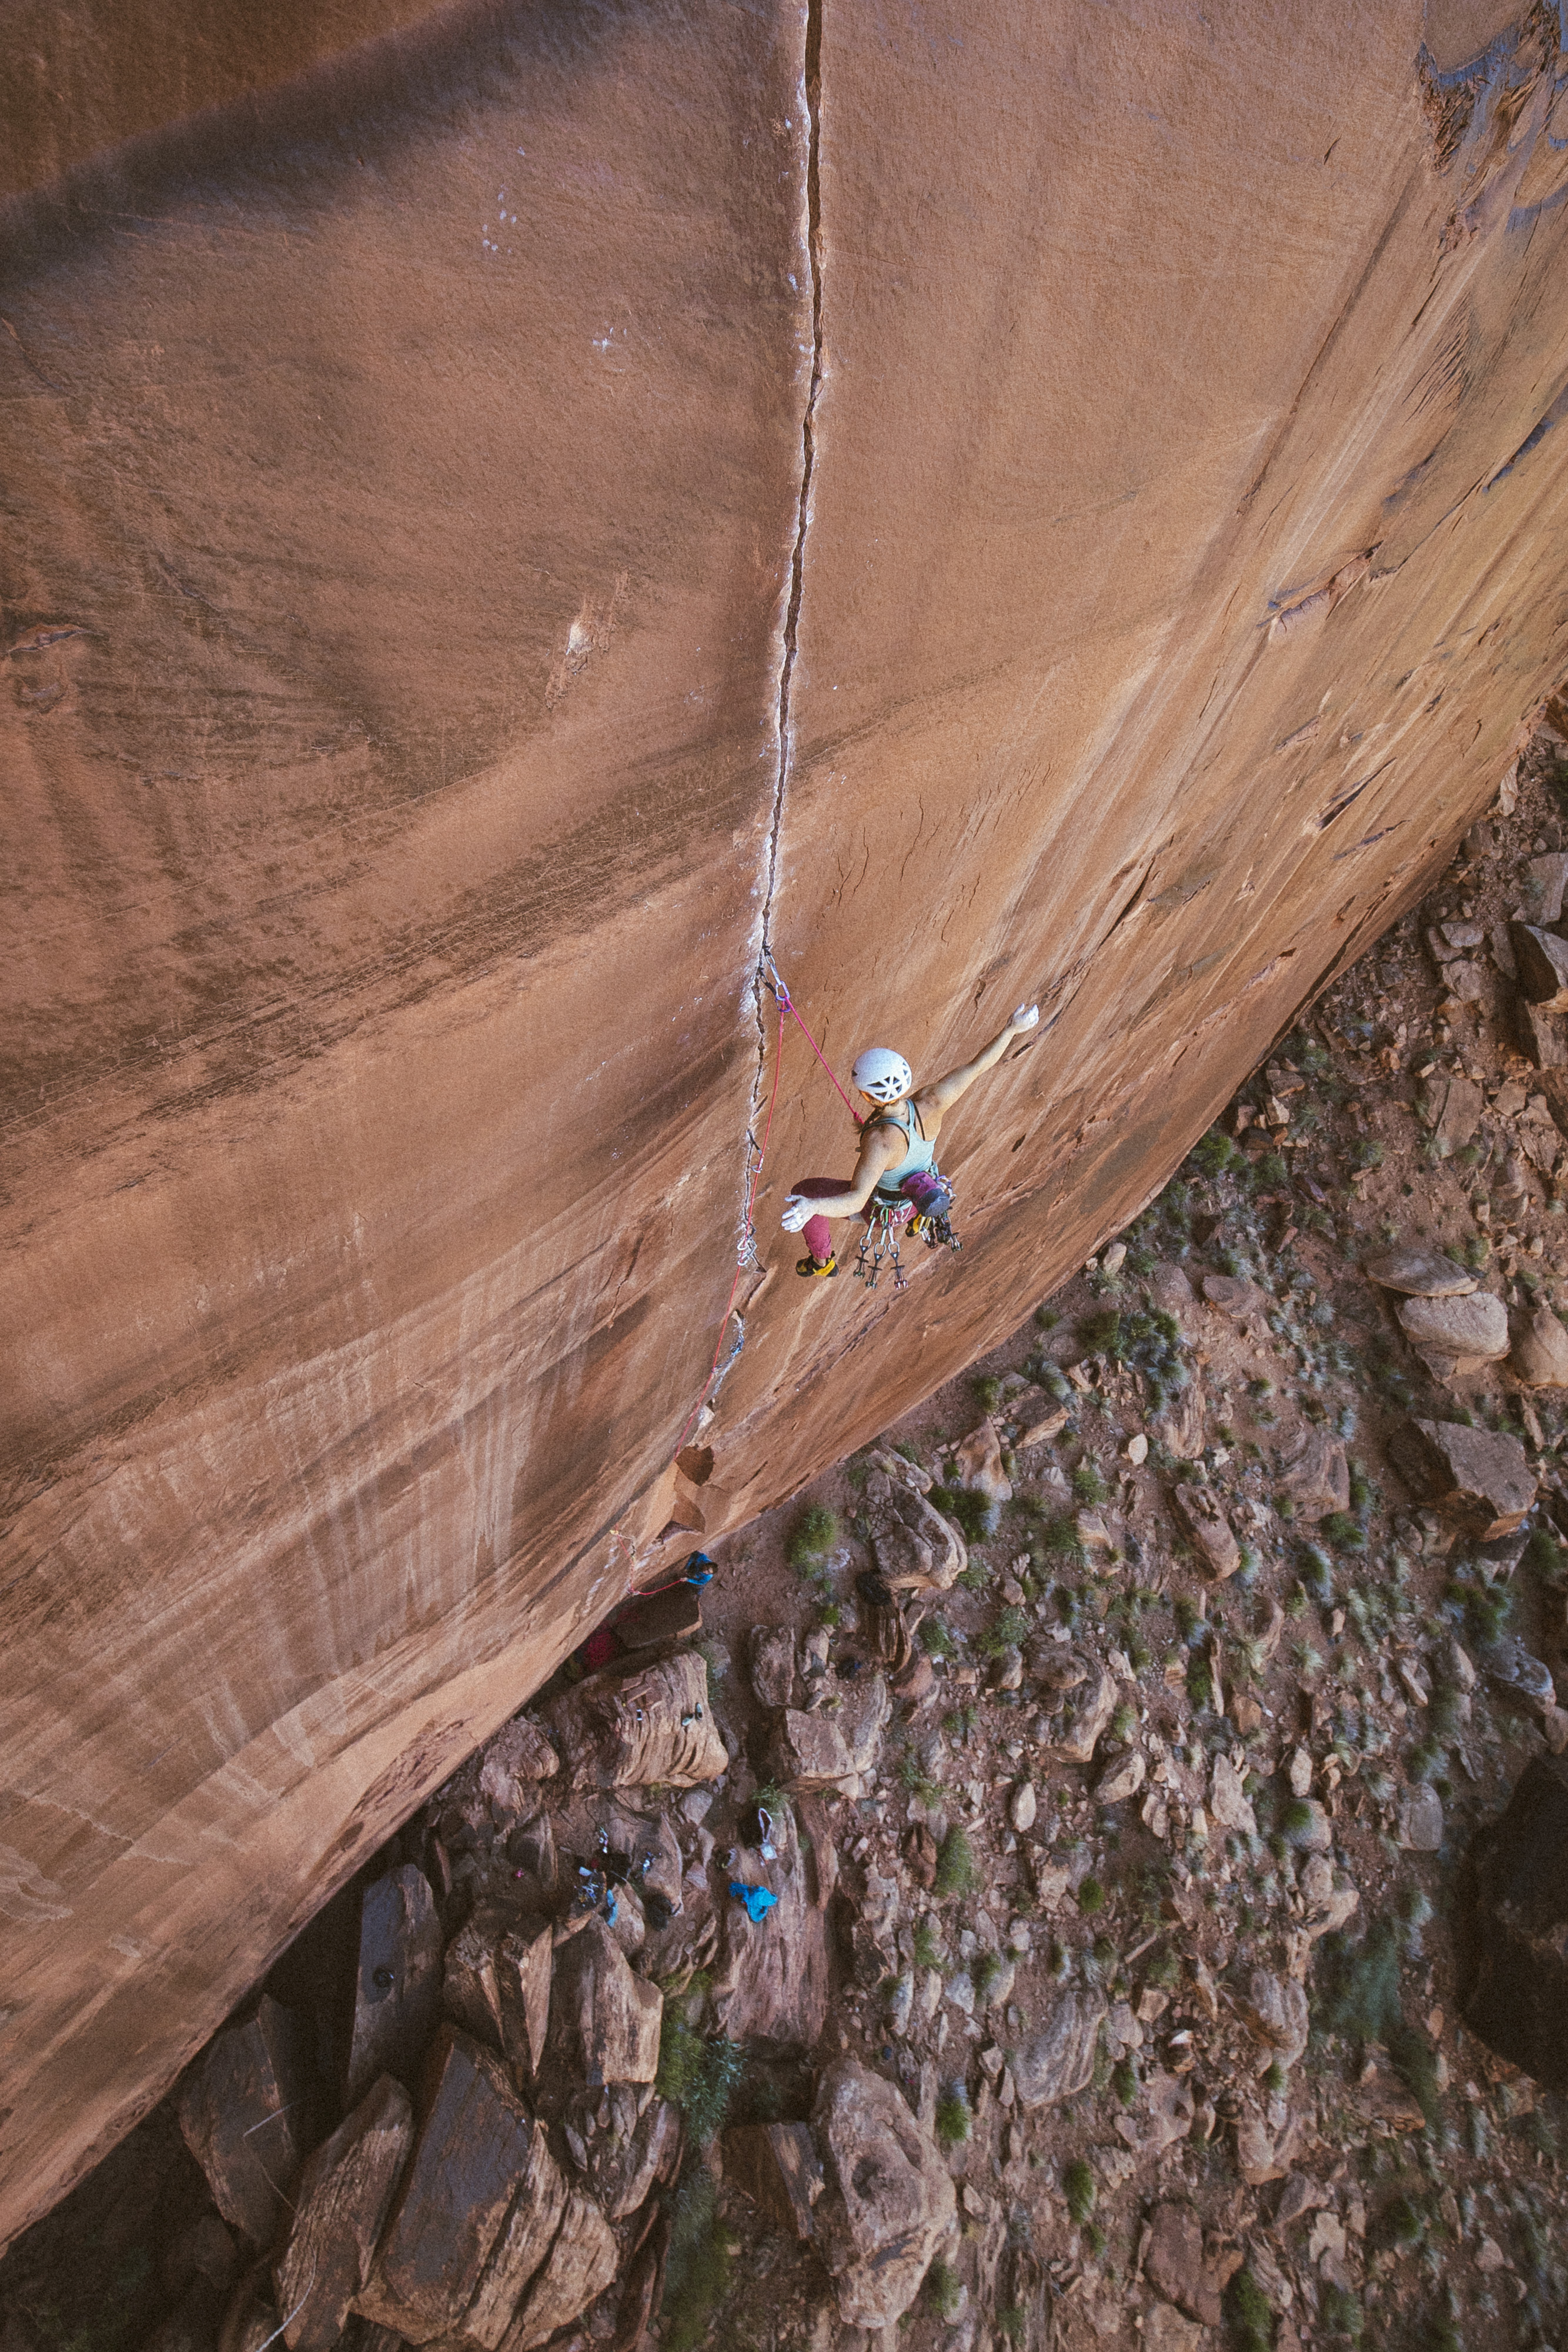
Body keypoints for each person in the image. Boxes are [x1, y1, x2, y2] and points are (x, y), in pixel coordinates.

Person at [780, 1001, 1041, 1277]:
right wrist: (1012, 1029)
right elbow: (977, 1067)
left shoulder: (880, 1142)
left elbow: (857, 1201)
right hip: (916, 1202)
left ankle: (822, 1263)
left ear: (868, 1097)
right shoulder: (933, 1101)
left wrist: (812, 1207)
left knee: (806, 1190)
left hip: (885, 1213)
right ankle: (919, 1216)